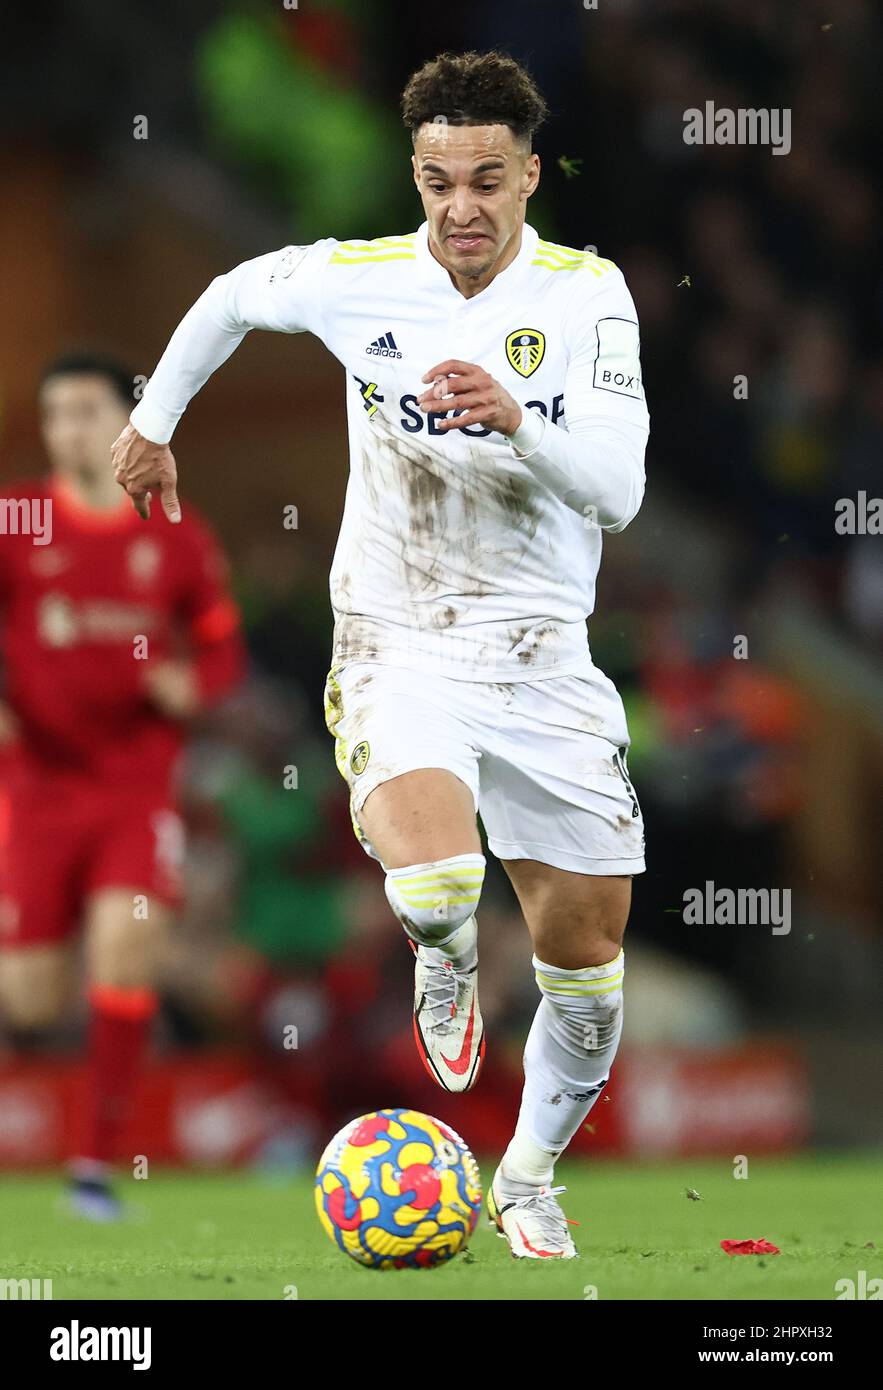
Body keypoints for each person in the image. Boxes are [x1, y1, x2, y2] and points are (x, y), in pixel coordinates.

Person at [111, 51, 649, 1258]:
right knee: (441, 884)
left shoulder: (585, 298)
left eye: (487, 180)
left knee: (588, 952)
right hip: (396, 635)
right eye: (437, 179)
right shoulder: (360, 278)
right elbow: (235, 292)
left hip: (542, 651)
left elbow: (617, 489)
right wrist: (153, 425)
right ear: (415, 175)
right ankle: (444, 957)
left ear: (527, 179)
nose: (460, 205)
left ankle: (526, 1176)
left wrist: (519, 422)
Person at [0, 353, 244, 1218]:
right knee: (28, 996)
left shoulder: (173, 528)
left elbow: (220, 645)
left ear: (128, 416)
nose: (68, 427)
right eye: (53, 412)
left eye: (85, 409)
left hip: (136, 787)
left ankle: (94, 1171)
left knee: (126, 948)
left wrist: (194, 684)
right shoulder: (16, 517)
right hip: (33, 785)